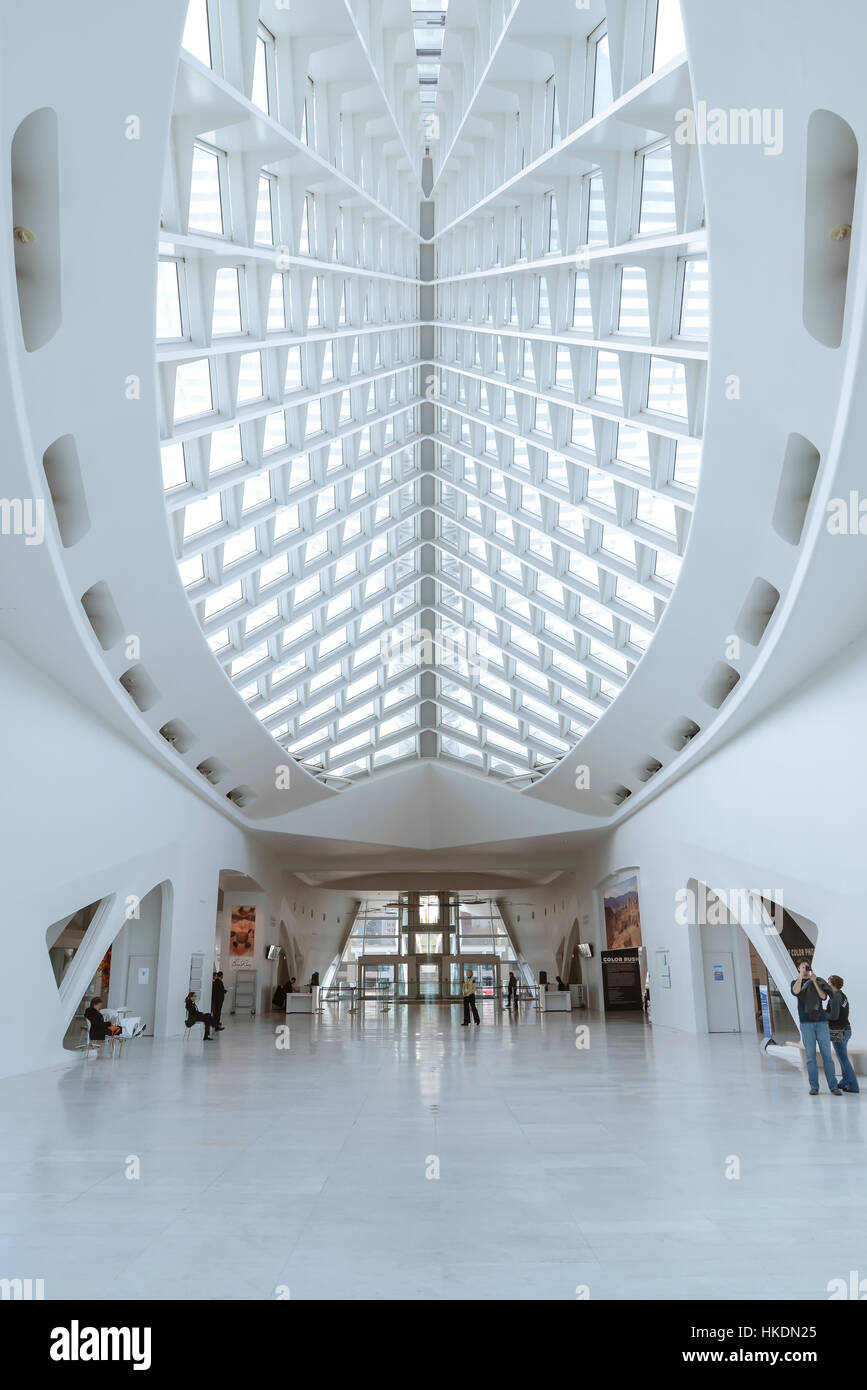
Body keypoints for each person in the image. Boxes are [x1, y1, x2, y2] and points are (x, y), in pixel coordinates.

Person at [790, 960, 840, 1095]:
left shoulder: (817, 980)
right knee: (810, 1057)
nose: (805, 969)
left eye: (806, 967)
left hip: (821, 1022)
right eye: (802, 967)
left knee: (827, 1056)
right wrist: (801, 975)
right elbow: (796, 992)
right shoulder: (795, 982)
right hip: (806, 1023)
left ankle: (833, 1086)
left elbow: (823, 997)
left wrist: (814, 982)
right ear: (798, 969)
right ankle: (814, 1087)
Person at [827, 975, 859, 1094]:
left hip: (838, 1031)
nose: (827, 986)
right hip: (846, 1029)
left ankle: (853, 1085)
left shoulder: (834, 997)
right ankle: (845, 1081)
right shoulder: (842, 995)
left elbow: (834, 1016)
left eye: (829, 983)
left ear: (834, 985)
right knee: (842, 1058)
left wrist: (822, 1015)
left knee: (843, 1059)